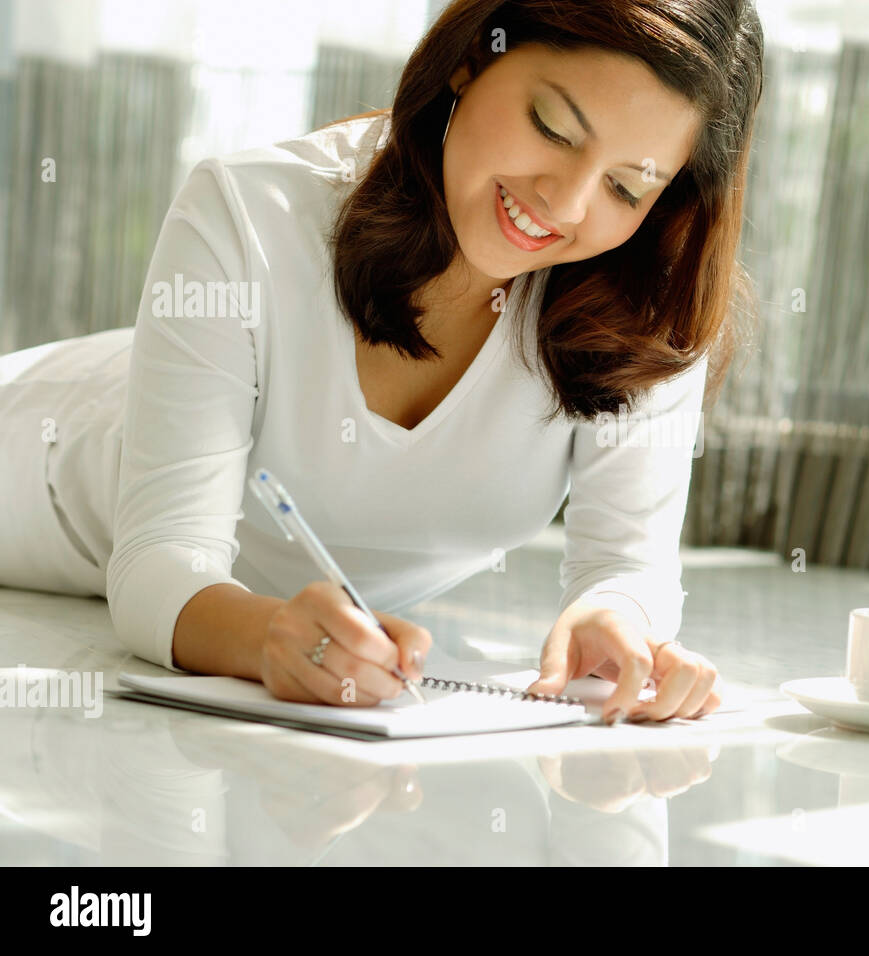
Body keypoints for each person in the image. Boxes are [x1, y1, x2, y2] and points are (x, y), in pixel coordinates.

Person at [0, 0, 764, 725]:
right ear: (472, 58)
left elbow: (629, 566)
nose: (565, 204)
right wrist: (269, 638)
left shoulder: (644, 310)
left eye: (627, 187)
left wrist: (617, 620)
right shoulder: (251, 213)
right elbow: (156, 567)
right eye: (553, 128)